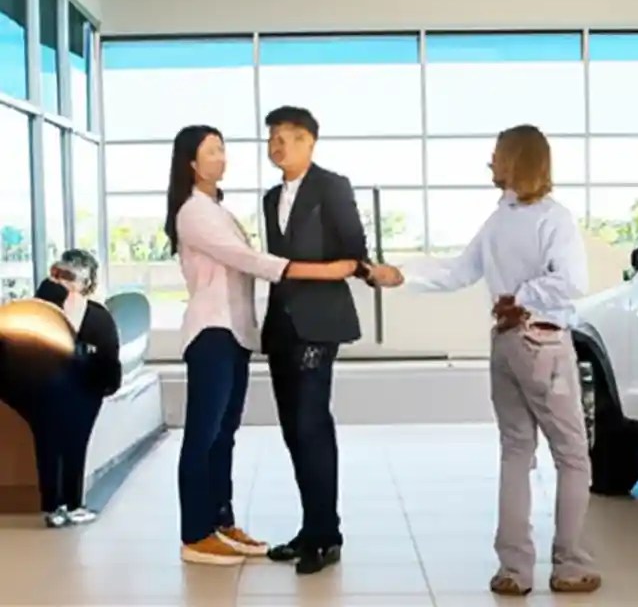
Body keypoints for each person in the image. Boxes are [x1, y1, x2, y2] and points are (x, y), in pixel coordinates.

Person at [368, 124, 601, 596]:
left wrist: (403, 277)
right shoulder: (549, 218)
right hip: (545, 345)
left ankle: (513, 570)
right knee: (573, 456)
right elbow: (574, 281)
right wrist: (526, 296)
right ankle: (570, 565)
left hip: (506, 346)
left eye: (495, 155)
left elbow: (456, 274)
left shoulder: (502, 220)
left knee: (516, 453)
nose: (489, 163)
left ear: (517, 160)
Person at [166, 124, 359, 566]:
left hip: (235, 333)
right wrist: (325, 271)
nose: (221, 157)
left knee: (224, 435)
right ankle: (196, 533)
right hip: (211, 332)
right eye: (212, 151)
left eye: (222, 149)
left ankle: (221, 520)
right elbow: (250, 261)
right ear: (191, 163)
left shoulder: (218, 208)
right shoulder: (193, 212)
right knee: (203, 435)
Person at [260, 106, 370, 575]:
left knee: (310, 425)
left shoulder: (332, 186)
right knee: (292, 429)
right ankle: (313, 527)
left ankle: (326, 535)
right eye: (272, 138)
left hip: (320, 322)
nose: (277, 146)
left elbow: (354, 250)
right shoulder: (269, 198)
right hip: (281, 323)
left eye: (287, 137)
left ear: (309, 142)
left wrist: (363, 269)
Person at [22, 250, 121, 528]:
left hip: (42, 388)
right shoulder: (95, 315)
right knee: (74, 446)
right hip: (82, 388)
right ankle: (72, 504)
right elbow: (108, 359)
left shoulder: (33, 308)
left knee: (48, 446)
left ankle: (53, 506)